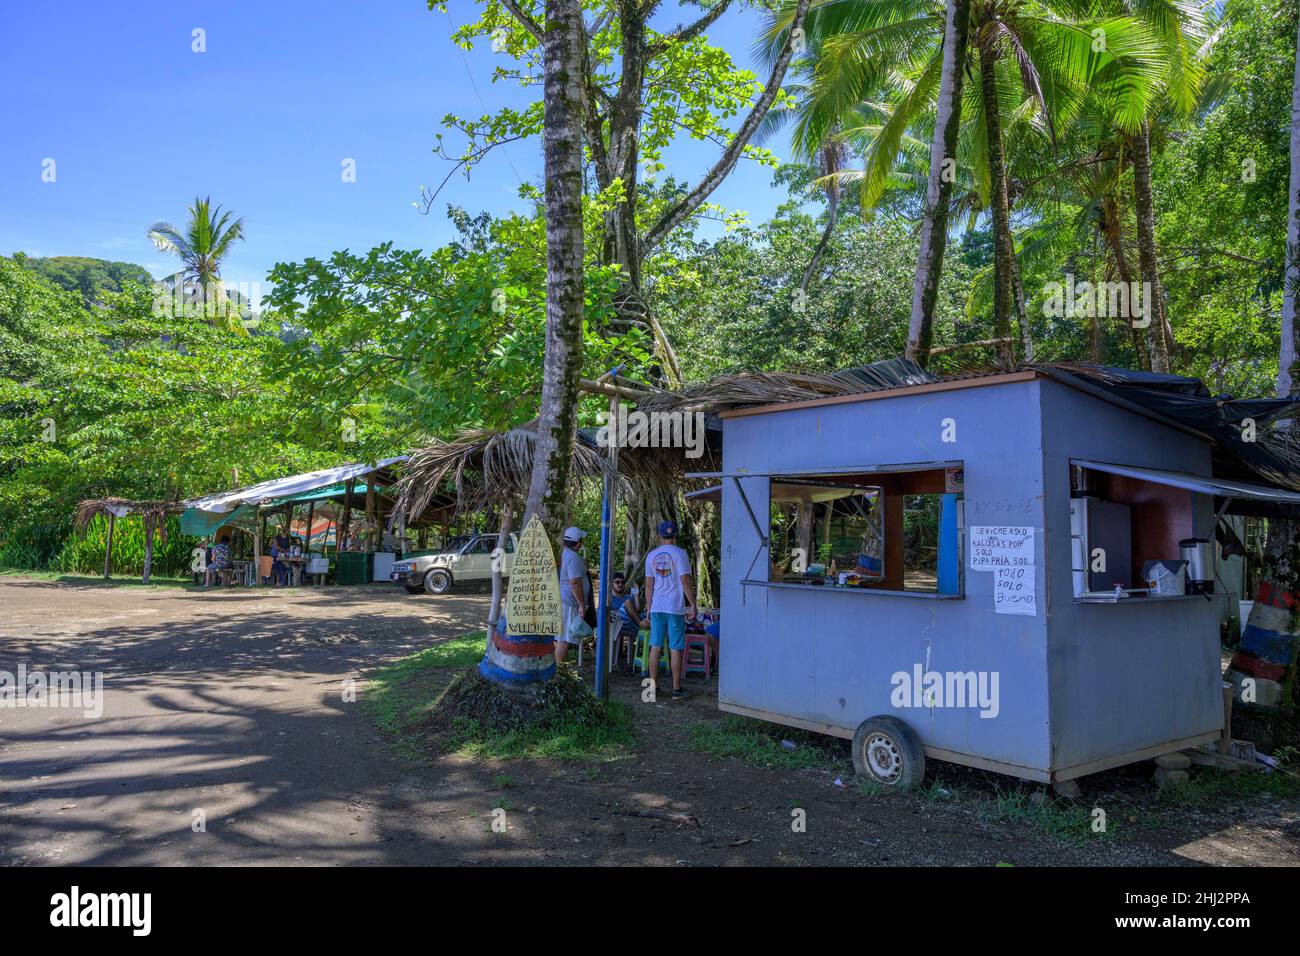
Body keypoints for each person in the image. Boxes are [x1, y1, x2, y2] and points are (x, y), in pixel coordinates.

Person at [644, 519, 697, 699]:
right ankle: (676, 689)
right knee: (675, 647)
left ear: (660, 535)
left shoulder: (652, 556)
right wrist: (693, 603)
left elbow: (648, 585)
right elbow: (685, 580)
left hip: (657, 607)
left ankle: (651, 688)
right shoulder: (680, 554)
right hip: (674, 607)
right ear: (675, 535)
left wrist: (648, 609)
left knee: (655, 646)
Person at [555, 526, 590, 664]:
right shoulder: (573, 557)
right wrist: (581, 604)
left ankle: (558, 670)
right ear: (576, 542)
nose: (582, 544)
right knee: (564, 639)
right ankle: (559, 673)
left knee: (562, 638)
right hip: (569, 602)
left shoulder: (563, 554)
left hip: (564, 600)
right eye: (581, 541)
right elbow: (575, 582)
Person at [607, 571, 647, 663]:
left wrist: (636, 596)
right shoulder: (609, 598)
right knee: (628, 603)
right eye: (617, 582)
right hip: (618, 624)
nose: (620, 584)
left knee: (649, 610)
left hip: (631, 624)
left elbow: (637, 609)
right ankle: (642, 624)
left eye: (622, 582)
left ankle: (648, 627)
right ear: (612, 584)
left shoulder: (628, 597)